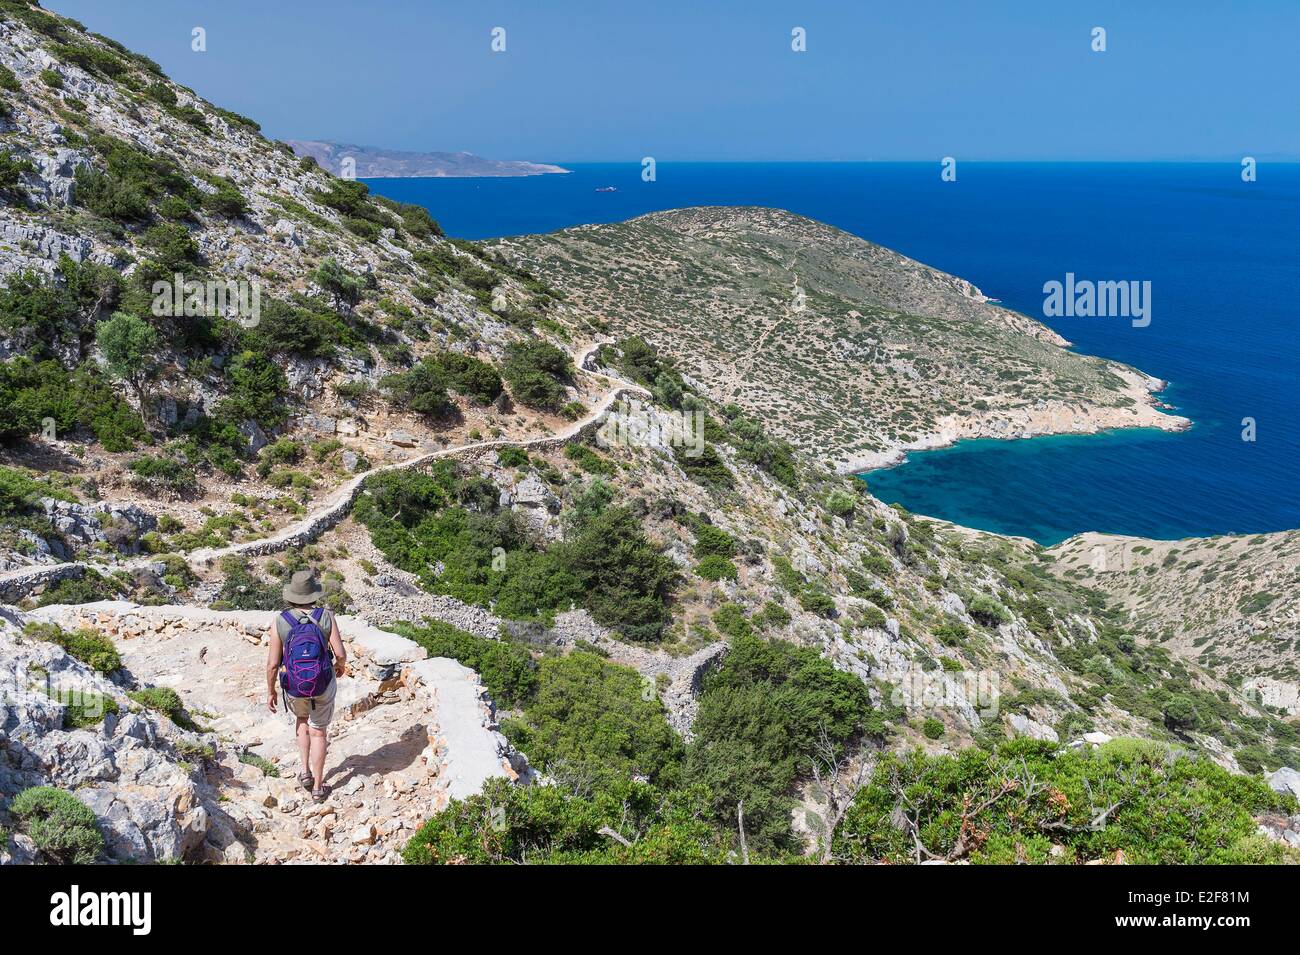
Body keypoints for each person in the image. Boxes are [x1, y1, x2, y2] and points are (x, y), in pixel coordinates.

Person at [266, 570, 347, 802]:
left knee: (302, 722)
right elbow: (340, 654)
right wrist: (339, 668)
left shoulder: (280, 621)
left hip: (294, 685)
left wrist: (270, 691)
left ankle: (305, 773)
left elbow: (272, 664)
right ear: (314, 594)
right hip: (322, 682)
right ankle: (319, 788)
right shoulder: (326, 616)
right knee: (318, 731)